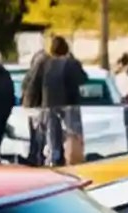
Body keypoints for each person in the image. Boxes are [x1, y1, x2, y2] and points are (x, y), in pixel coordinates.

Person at [29, 36, 88, 166]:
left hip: (49, 105)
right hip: (70, 104)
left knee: (52, 135)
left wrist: (31, 104)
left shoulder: (44, 64)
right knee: (72, 133)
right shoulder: (71, 63)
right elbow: (83, 79)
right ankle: (72, 160)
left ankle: (53, 160)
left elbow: (34, 84)